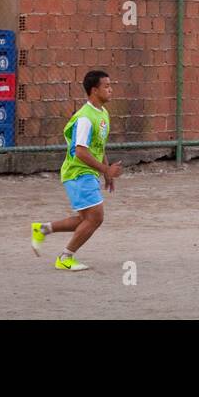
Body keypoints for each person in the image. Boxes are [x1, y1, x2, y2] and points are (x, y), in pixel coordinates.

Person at [30, 70, 123, 272]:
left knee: (85, 220)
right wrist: (106, 169)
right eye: (106, 86)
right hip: (78, 172)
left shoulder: (102, 113)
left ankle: (43, 229)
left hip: (87, 172)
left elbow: (99, 146)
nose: (110, 89)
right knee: (96, 217)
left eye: (110, 85)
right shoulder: (85, 118)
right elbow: (81, 152)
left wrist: (106, 171)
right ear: (94, 90)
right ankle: (65, 257)